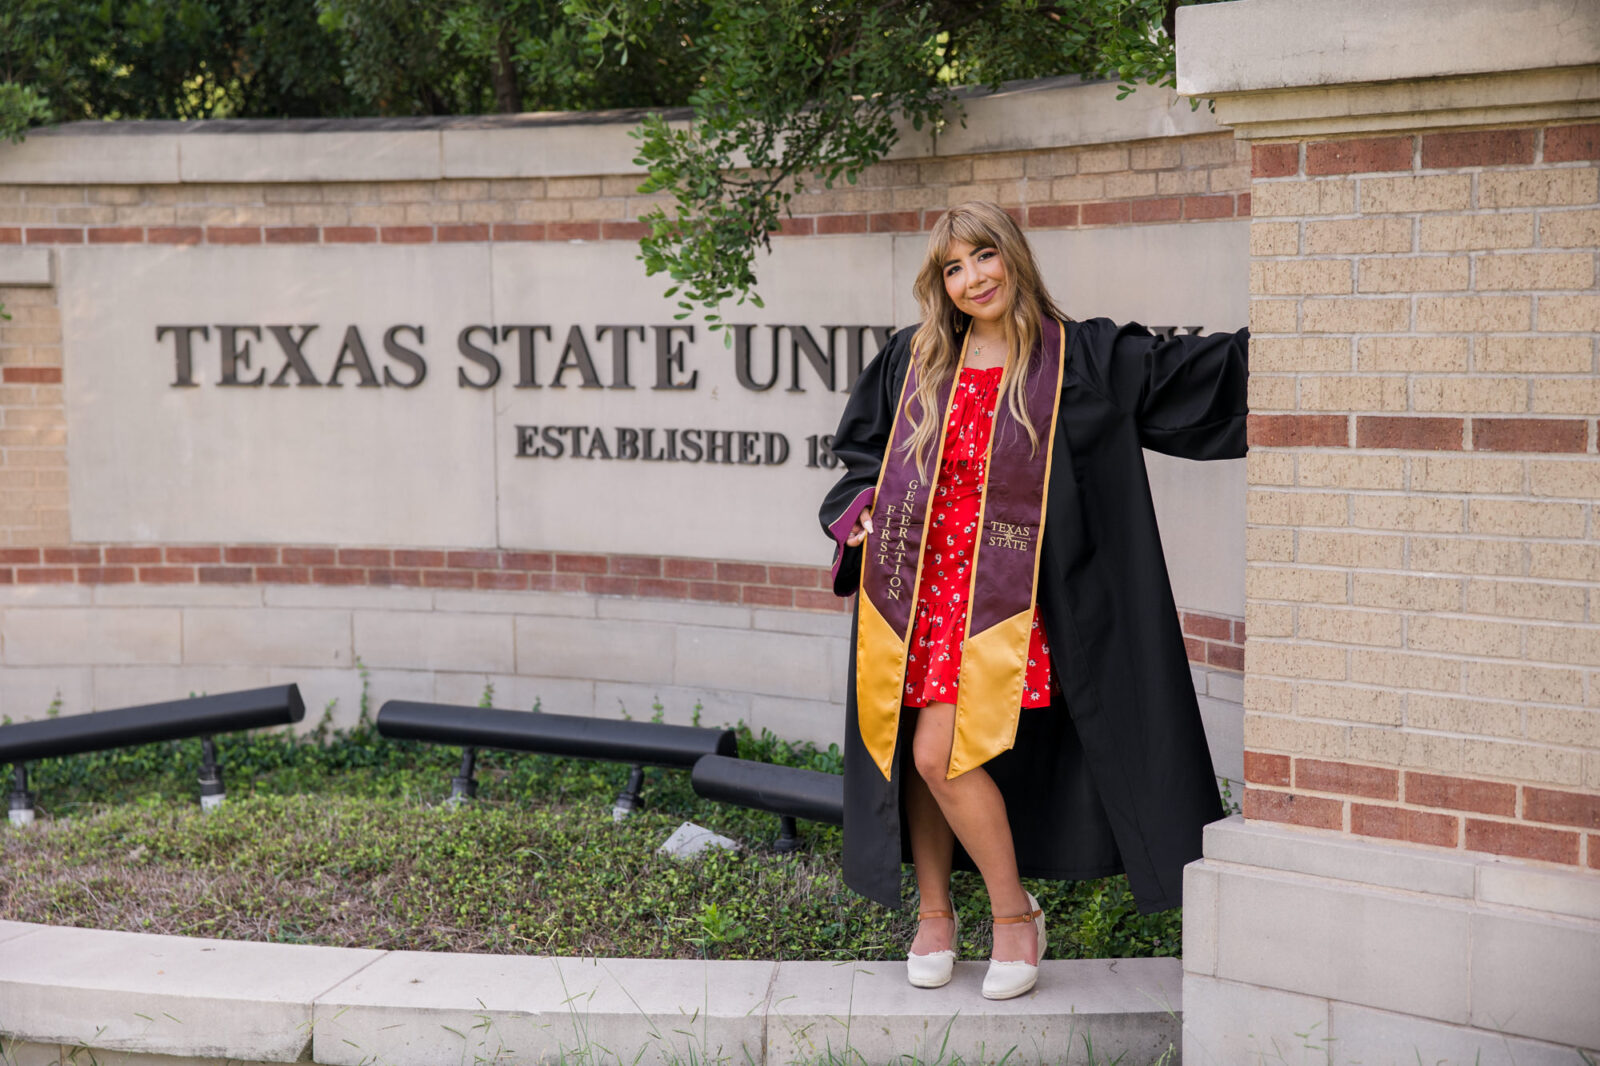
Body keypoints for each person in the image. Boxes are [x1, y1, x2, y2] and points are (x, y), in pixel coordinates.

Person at [818, 200, 1248, 999]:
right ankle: (936, 912)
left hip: (1006, 603)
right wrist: (861, 508)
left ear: (1012, 256)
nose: (972, 278)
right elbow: (858, 457)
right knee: (916, 748)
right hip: (915, 590)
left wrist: (1317, 328)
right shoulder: (913, 364)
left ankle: (1015, 915)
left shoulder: (1080, 357)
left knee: (935, 754)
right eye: (953, 267)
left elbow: (1203, 376)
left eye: (983, 255)